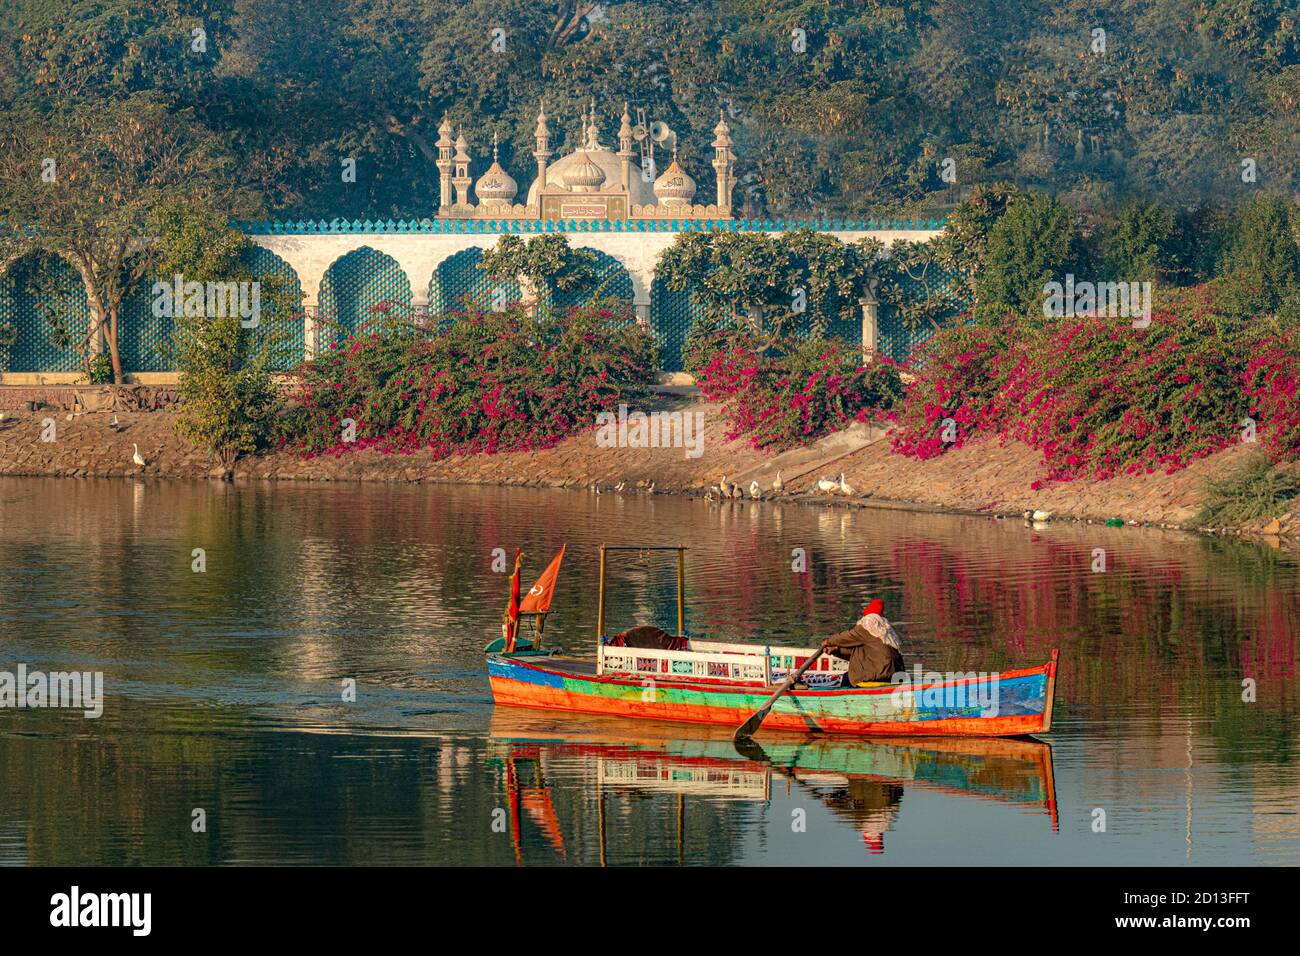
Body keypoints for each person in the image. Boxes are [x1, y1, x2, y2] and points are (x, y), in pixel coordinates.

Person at [821, 599, 904, 687]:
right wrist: (836, 650)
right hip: (894, 675)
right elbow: (857, 654)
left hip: (880, 675)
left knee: (847, 677)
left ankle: (844, 699)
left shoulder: (867, 627)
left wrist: (829, 641)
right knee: (847, 676)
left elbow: (846, 637)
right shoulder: (886, 633)